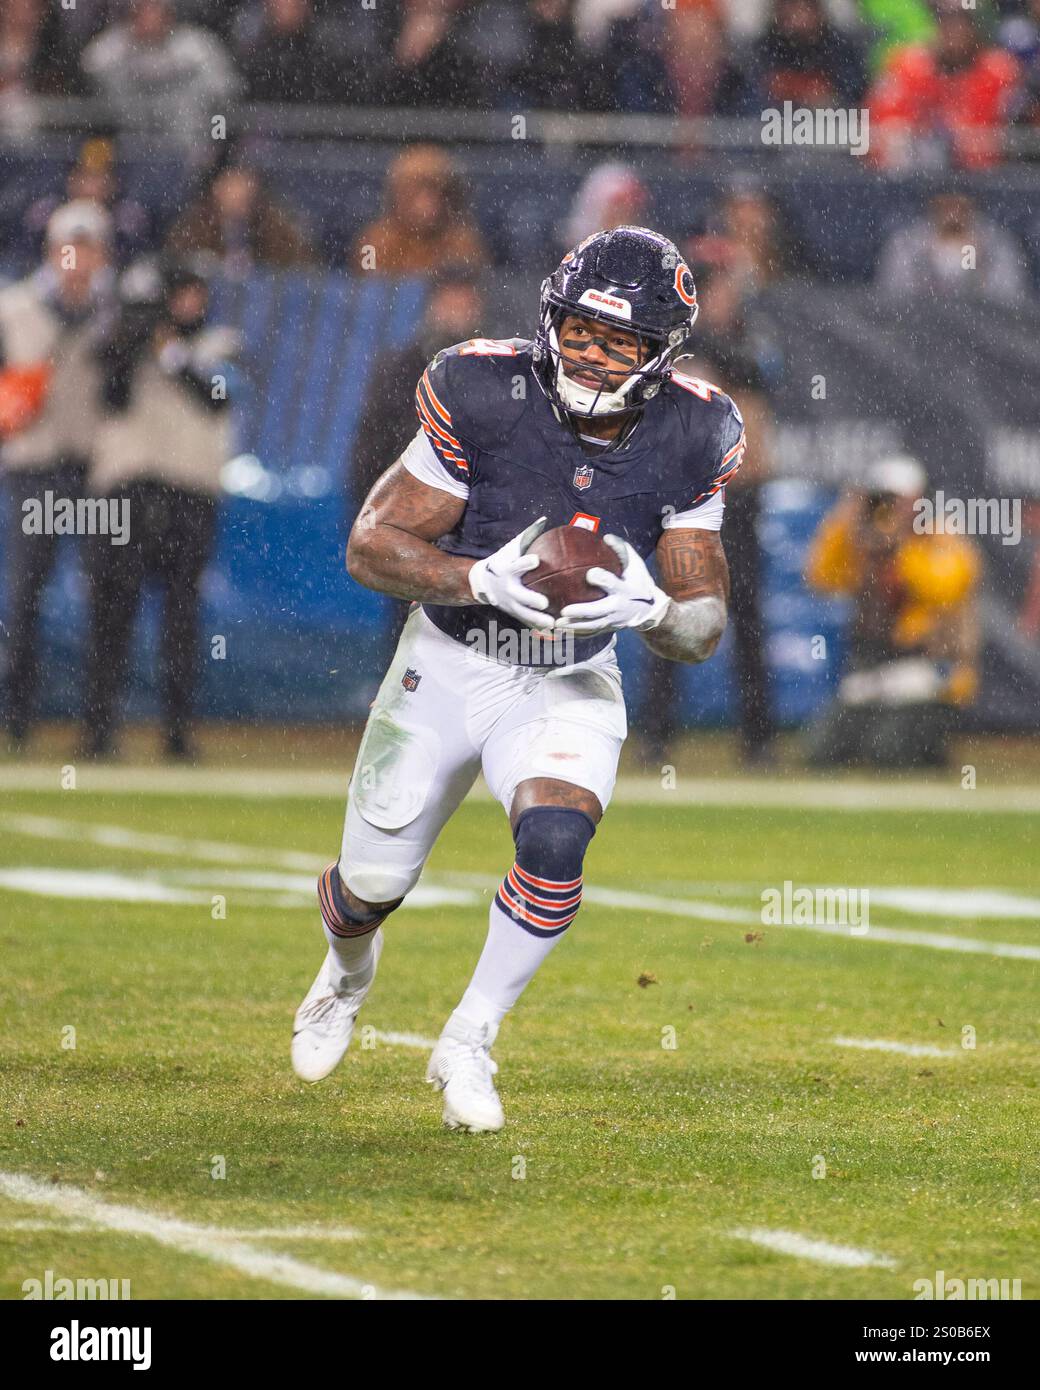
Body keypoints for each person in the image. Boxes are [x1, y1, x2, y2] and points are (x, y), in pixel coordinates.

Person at [291, 226, 745, 1132]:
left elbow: (703, 624)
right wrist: (474, 577)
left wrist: (653, 611)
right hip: (447, 660)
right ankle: (344, 976)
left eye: (617, 341)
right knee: (367, 889)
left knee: (554, 844)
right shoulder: (483, 388)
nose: (589, 352)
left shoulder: (697, 430)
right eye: (578, 330)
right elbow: (369, 545)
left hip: (566, 678)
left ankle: (470, 1037)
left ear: (660, 356)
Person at [84, 261, 236, 760]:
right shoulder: (125, 345)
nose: (187, 304)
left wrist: (169, 350)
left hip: (189, 494)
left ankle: (176, 732)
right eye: (178, 294)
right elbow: (110, 396)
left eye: (195, 293)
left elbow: (217, 396)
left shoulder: (221, 343)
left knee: (180, 617)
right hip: (128, 492)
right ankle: (99, 730)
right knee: (112, 613)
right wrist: (132, 341)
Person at [0, 200, 113, 749]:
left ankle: (96, 730)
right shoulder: (13, 308)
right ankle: (16, 722)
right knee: (25, 597)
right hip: (33, 468)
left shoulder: (114, 312)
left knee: (103, 599)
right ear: (50, 250)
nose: (77, 259)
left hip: (93, 471)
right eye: (70, 246)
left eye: (89, 247)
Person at [804, 456, 981, 769]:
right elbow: (821, 576)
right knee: (823, 752)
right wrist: (845, 521)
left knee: (889, 751)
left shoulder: (939, 538)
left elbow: (945, 587)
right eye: (880, 501)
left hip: (922, 667)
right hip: (872, 666)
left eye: (895, 501)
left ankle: (929, 751)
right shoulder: (865, 546)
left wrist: (902, 546)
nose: (887, 510)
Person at [350, 266, 486, 665]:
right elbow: (372, 442)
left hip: (473, 527)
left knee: (475, 631)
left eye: (466, 304)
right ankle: (405, 704)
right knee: (410, 634)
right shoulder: (400, 366)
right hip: (417, 521)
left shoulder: (496, 372)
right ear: (431, 306)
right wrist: (374, 511)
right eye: (451, 303)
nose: (458, 314)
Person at [350, 144, 490, 275]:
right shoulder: (375, 242)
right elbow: (369, 291)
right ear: (397, 196)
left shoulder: (463, 242)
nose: (427, 201)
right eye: (415, 191)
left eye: (437, 190)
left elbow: (467, 293)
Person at [165, 158, 318, 276]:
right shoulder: (195, 226)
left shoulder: (274, 225)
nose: (239, 191)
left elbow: (302, 267)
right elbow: (177, 266)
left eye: (245, 181)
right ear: (216, 188)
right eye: (232, 182)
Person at [875, 192, 1030, 304]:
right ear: (933, 202)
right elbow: (892, 301)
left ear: (972, 204)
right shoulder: (906, 245)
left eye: (960, 203)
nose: (953, 210)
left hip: (982, 339)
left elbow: (1008, 304)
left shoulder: (997, 246)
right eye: (946, 202)